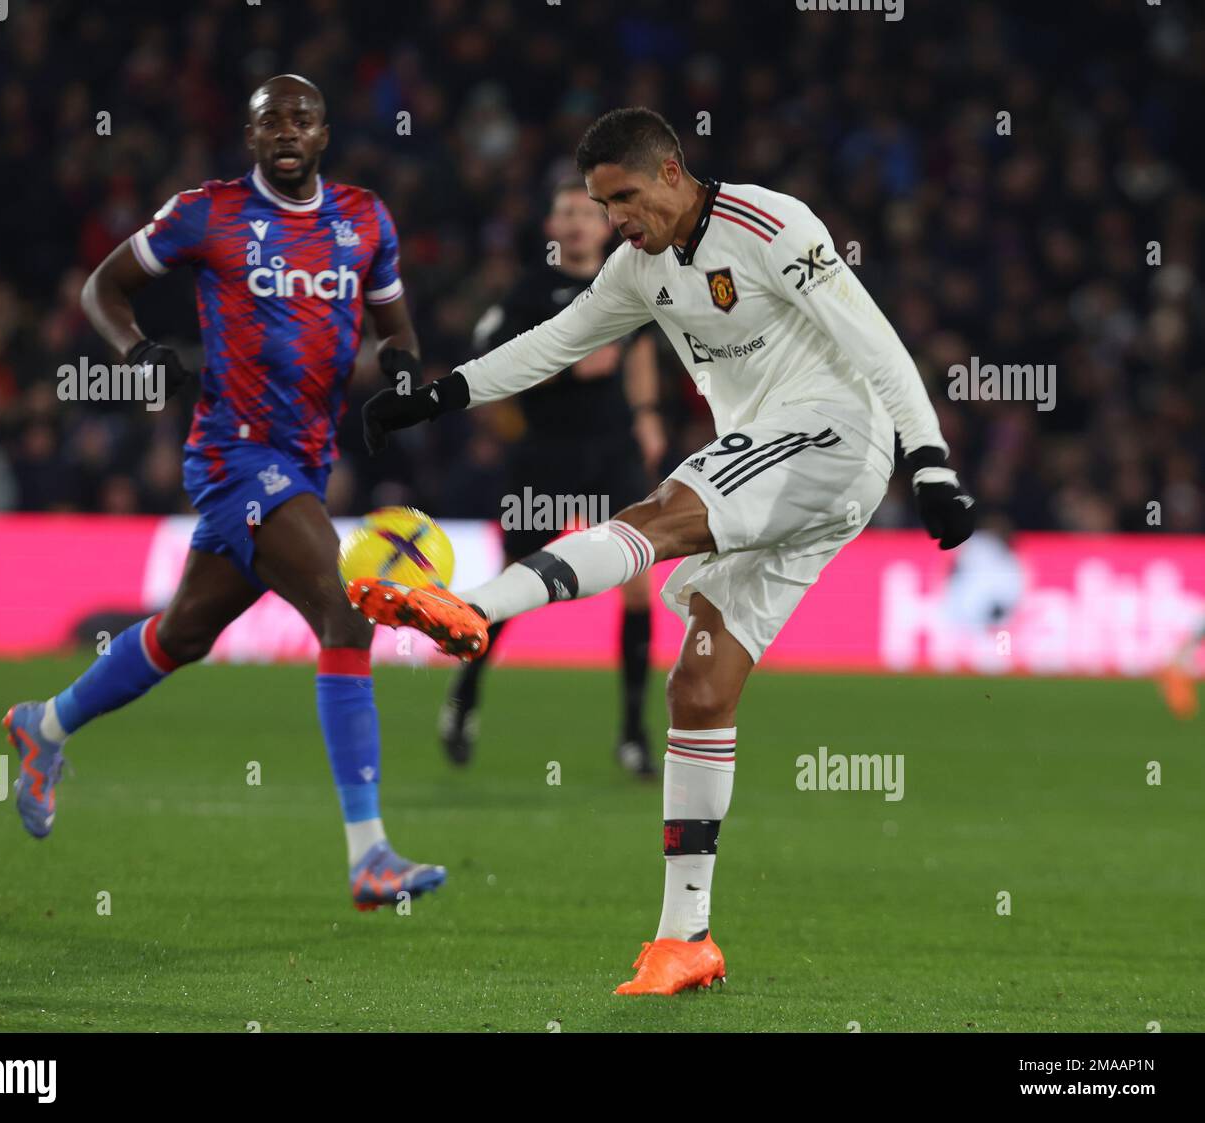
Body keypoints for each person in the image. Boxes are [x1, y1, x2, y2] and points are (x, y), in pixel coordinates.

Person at [353, 107, 975, 992]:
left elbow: (875, 339)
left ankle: (478, 607)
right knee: (701, 684)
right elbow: (548, 347)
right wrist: (436, 397)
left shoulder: (772, 225)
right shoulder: (639, 268)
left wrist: (932, 460)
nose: (618, 220)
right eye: (605, 205)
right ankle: (687, 939)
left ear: (674, 173)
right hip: (795, 479)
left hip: (832, 434)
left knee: (661, 513)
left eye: (627, 197)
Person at [3, 75, 447, 910]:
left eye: (301, 119)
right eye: (269, 119)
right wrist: (137, 352)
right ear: (250, 138)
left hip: (303, 461)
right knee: (346, 611)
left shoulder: (364, 219)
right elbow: (102, 286)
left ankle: (45, 723)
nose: (286, 130)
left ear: (322, 135)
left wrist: (402, 373)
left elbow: (395, 322)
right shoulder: (205, 213)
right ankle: (369, 855)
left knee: (183, 633)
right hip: (236, 456)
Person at [439, 179, 666, 776]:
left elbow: (639, 352)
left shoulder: (626, 281)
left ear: (605, 225)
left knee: (638, 587)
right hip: (545, 458)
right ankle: (464, 699)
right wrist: (568, 370)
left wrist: (645, 417)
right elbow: (499, 370)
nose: (574, 223)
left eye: (586, 213)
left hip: (611, 455)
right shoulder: (529, 293)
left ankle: (633, 734)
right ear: (550, 227)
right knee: (514, 587)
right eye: (563, 212)